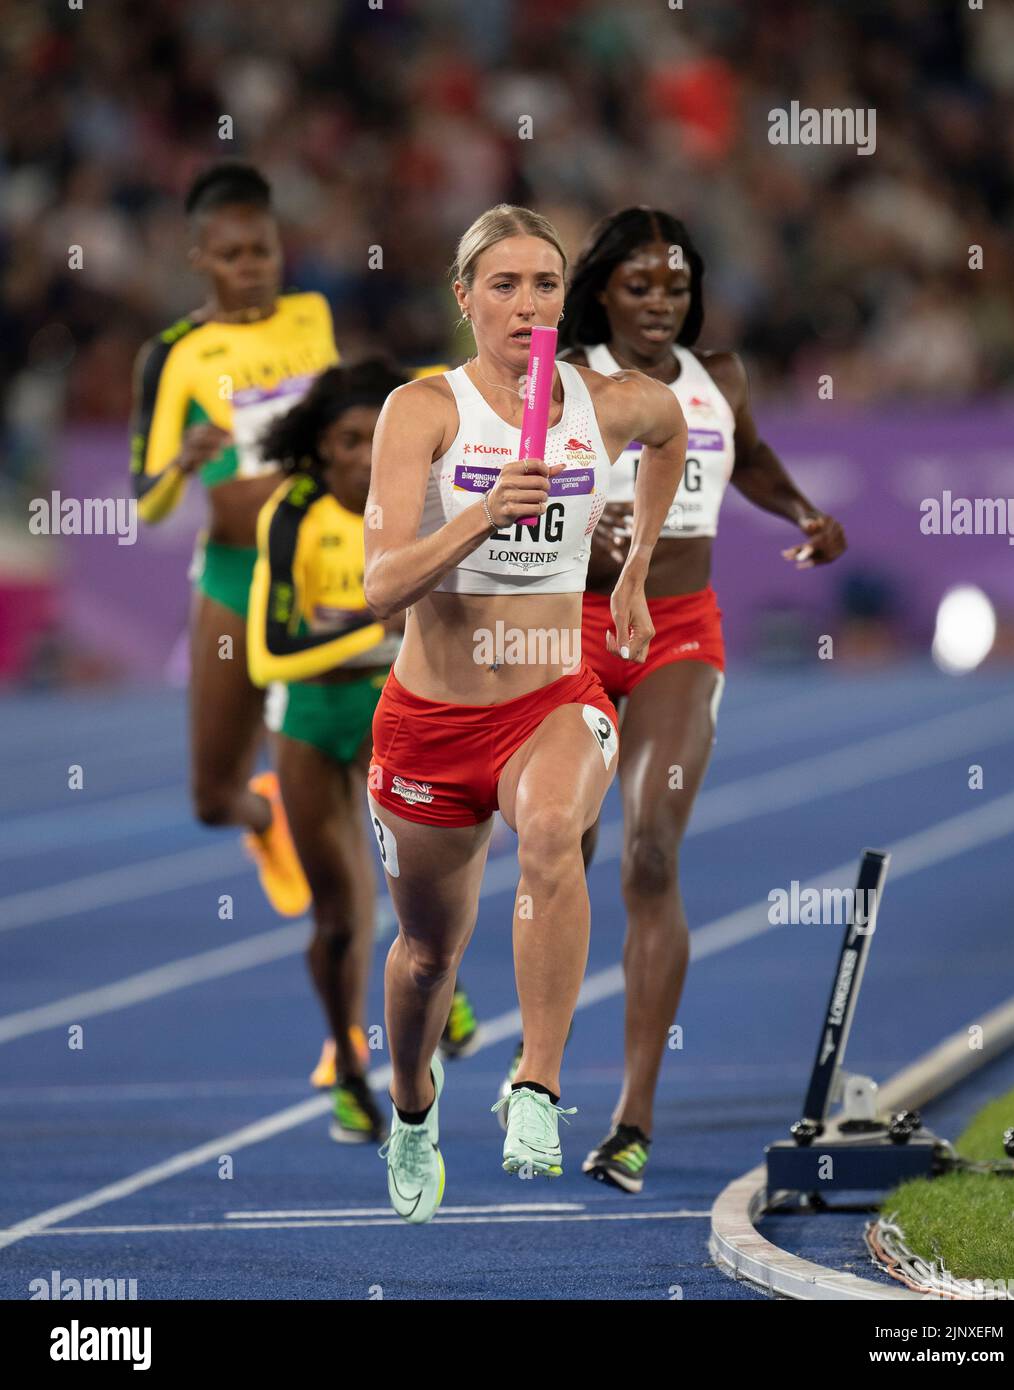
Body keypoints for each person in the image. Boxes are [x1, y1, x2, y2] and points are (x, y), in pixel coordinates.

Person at [497, 206, 847, 1192]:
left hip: (679, 631)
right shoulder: (557, 381)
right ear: (601, 288)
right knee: (557, 845)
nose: (660, 305)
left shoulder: (716, 375)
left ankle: (632, 1117)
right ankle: (536, 1069)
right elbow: (505, 484)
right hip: (568, 630)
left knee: (651, 852)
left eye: (676, 288)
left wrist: (803, 510)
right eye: (639, 286)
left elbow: (752, 453)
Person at [362, 203, 688, 1224]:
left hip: (552, 694)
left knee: (553, 830)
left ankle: (538, 1085)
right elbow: (377, 585)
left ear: (566, 300)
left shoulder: (607, 401)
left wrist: (633, 572)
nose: (525, 302)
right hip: (430, 720)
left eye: (543, 284)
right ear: (464, 300)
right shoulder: (423, 411)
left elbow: (672, 429)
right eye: (501, 284)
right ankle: (413, 1107)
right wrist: (478, 514)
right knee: (426, 954)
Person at [247, 360, 479, 1141]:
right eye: (346, 441)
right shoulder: (293, 511)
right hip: (312, 716)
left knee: (427, 888)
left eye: (371, 438)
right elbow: (273, 650)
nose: (361, 456)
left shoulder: (415, 495)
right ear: (319, 448)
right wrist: (372, 621)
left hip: (396, 703)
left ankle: (438, 970)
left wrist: (358, 623)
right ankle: (350, 1071)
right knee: (341, 915)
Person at [129, 162, 337, 916]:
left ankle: (412, 962)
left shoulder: (314, 318)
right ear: (200, 260)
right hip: (230, 579)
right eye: (232, 256)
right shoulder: (175, 354)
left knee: (352, 776)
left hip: (321, 575)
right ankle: (263, 817)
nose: (251, 268)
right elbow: (146, 504)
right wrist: (180, 464)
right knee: (213, 798)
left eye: (264, 251)